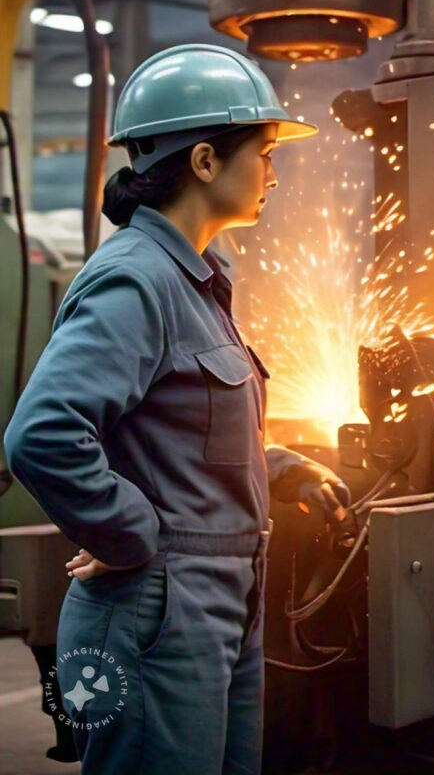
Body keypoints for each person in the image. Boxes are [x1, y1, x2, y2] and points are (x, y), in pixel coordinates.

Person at [4, 44, 351, 775]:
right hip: (154, 615)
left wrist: (280, 468)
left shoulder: (198, 280)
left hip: (218, 603)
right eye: (262, 151)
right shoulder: (137, 280)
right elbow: (42, 435)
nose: (273, 171)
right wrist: (133, 536)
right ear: (201, 161)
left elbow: (182, 431)